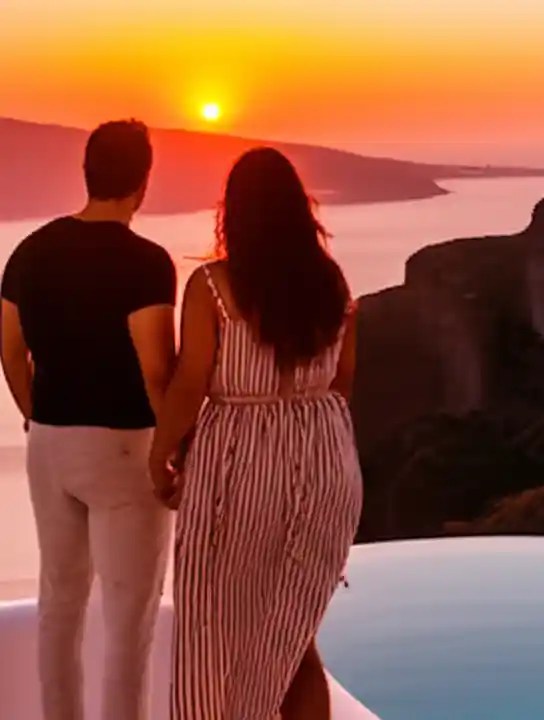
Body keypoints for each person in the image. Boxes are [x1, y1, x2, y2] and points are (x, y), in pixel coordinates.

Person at [148, 146, 361, 719]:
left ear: (233, 213)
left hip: (237, 470)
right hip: (325, 466)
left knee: (213, 631)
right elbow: (342, 383)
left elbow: (192, 380)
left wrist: (162, 454)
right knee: (295, 639)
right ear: (299, 210)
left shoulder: (213, 287)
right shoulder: (331, 283)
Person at [0, 119, 176, 720]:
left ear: (88, 172)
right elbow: (156, 368)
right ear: (142, 183)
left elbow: (8, 346)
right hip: (125, 449)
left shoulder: (31, 250)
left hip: (50, 444)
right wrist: (173, 446)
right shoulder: (146, 263)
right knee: (128, 619)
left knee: (60, 604)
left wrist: (34, 414)